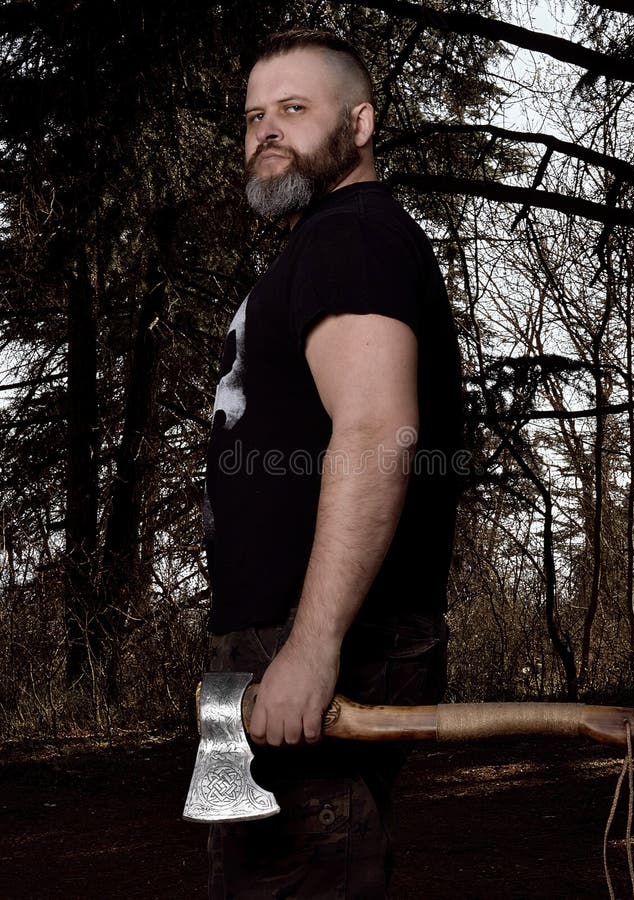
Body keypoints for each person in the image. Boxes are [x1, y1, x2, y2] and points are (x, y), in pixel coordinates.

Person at [204, 28, 463, 899]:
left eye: (293, 109)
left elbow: (378, 429)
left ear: (360, 123)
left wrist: (313, 649)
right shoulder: (322, 244)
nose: (266, 131)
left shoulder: (352, 237)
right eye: (253, 118)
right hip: (286, 633)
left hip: (321, 636)